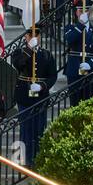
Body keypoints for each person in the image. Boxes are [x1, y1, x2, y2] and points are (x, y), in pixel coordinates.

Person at [10, 31, 58, 166]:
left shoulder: (46, 54)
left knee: (39, 128)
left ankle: (37, 160)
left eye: (37, 35)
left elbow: (52, 76)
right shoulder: (19, 52)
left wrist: (42, 86)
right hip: (24, 95)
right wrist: (29, 49)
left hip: (40, 96)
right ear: (26, 37)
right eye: (30, 35)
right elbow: (18, 64)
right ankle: (25, 161)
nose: (34, 37)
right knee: (26, 128)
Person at [63, 3, 93, 106]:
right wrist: (81, 24)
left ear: (89, 13)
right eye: (80, 11)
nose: (83, 13)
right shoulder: (70, 28)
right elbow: (69, 39)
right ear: (77, 13)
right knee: (75, 103)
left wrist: (91, 64)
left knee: (88, 103)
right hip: (74, 70)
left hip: (89, 71)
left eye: (86, 11)